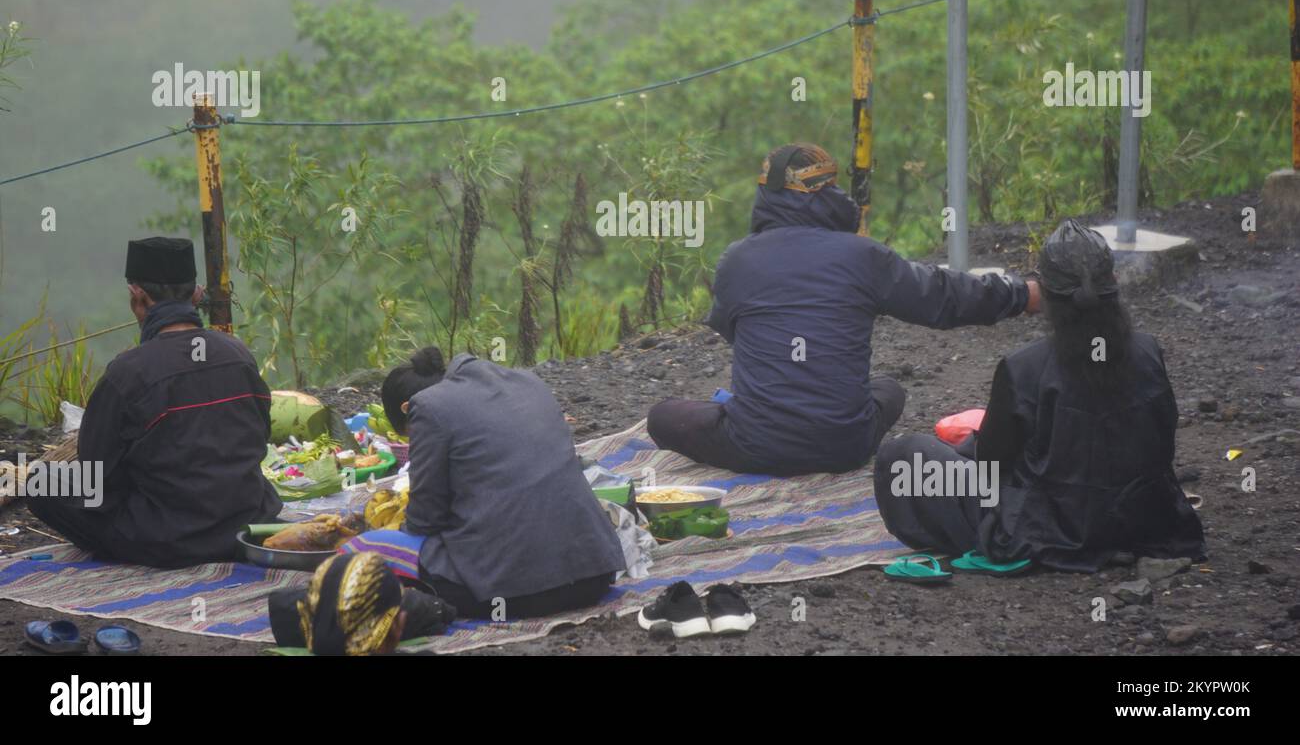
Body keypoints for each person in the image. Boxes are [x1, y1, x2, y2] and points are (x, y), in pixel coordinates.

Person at [647, 143, 1040, 477]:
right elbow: (943, 296)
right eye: (830, 185)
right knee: (890, 389)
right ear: (820, 195)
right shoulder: (863, 256)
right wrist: (1024, 295)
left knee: (662, 416)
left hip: (755, 446)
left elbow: (736, 333)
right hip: (845, 448)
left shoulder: (737, 260)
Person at [873, 219, 1206, 571]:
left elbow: (992, 463)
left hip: (1043, 531)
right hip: (1144, 521)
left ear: (1044, 294)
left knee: (902, 456)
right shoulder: (1149, 351)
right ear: (1115, 283)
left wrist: (971, 447)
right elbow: (1160, 442)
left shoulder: (1024, 368)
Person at [28, 237, 282, 567]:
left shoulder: (127, 373)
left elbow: (96, 475)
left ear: (138, 298)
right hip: (246, 524)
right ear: (196, 295)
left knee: (40, 483)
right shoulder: (238, 354)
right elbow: (259, 436)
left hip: (170, 541)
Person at [347, 347, 625, 619]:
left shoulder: (428, 406)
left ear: (405, 409)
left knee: (356, 550)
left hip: (512, 594)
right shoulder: (531, 382)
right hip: (593, 577)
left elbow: (425, 520)